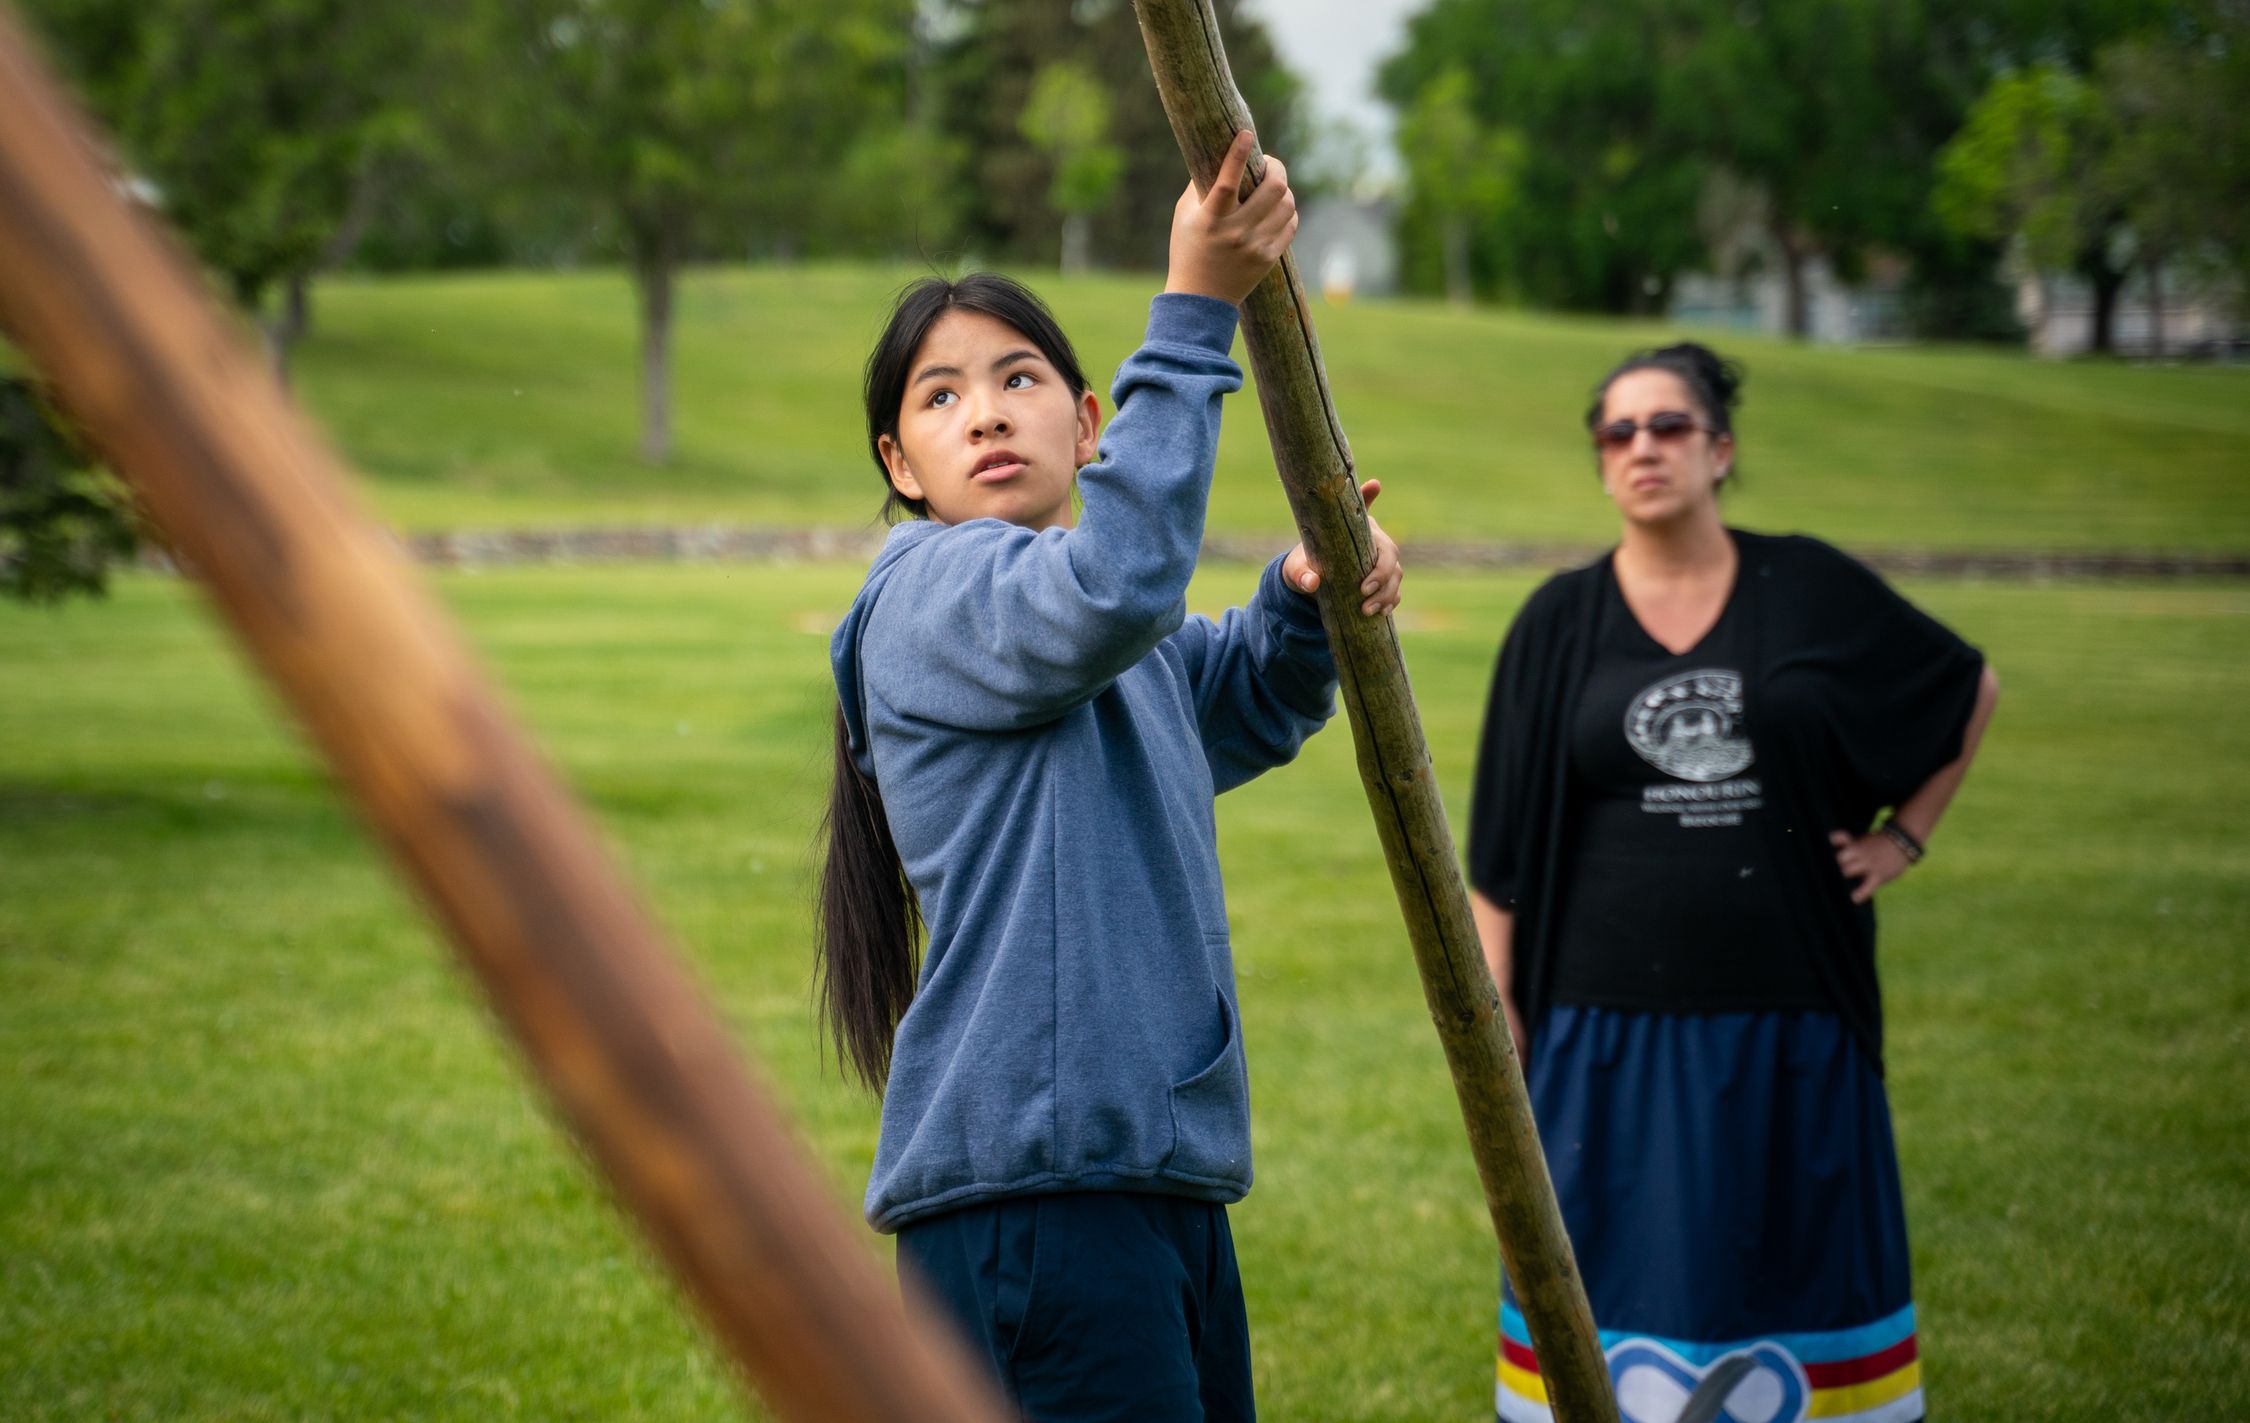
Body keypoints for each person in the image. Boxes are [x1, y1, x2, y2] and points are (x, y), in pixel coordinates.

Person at [818, 132, 1403, 1423]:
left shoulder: (1092, 629)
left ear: (1086, 427)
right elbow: (1121, 586)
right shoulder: (924, 596)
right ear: (899, 466)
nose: (984, 412)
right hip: (1035, 1202)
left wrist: (1303, 597)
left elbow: (1238, 694)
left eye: (1018, 377)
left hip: (1147, 1176)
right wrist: (1195, 306)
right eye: (938, 397)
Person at [1467, 343, 1998, 1423]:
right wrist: (1499, 1008)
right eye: (1619, 431)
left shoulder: (1804, 586)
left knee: (1795, 1276)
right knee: (1601, 1290)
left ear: (1720, 449)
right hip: (1600, 1030)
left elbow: (1966, 687)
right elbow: (1500, 846)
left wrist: (1904, 840)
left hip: (1791, 1019)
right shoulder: (1558, 620)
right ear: (1601, 460)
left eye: (1669, 425)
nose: (1643, 447)